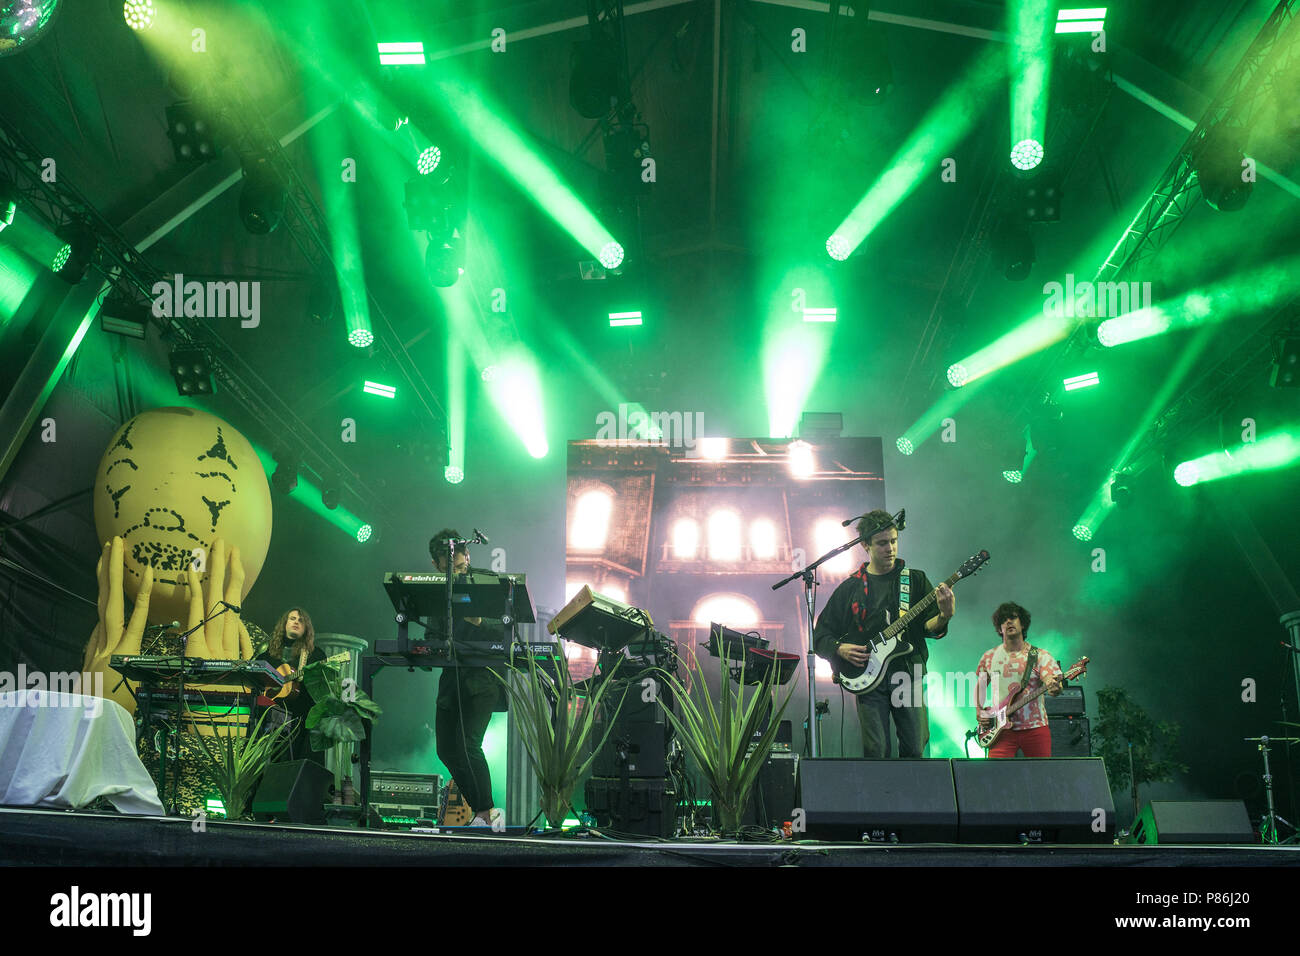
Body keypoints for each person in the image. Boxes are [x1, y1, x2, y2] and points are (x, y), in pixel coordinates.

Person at [813, 510, 955, 758]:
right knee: (876, 750)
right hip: (867, 677)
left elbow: (928, 627)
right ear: (865, 545)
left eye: (893, 541)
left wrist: (944, 615)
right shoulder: (851, 588)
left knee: (914, 747)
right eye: (881, 543)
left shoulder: (915, 580)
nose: (890, 548)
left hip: (909, 672)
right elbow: (822, 633)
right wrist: (839, 648)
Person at [429, 528, 505, 827]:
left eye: (461, 566)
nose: (458, 572)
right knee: (445, 748)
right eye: (451, 568)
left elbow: (504, 629)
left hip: (482, 677)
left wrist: (478, 620)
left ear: (468, 556)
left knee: (468, 744)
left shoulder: (486, 581)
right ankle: (482, 810)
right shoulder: (436, 589)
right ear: (437, 565)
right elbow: (431, 633)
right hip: (452, 678)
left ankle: (486, 812)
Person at [975, 602, 1063, 758]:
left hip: (1035, 728)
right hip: (1000, 731)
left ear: (1023, 624)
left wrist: (1054, 686)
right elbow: (980, 687)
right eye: (1003, 620)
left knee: (1042, 775)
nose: (1008, 622)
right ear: (999, 629)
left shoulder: (1040, 655)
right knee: (995, 777)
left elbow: (1051, 679)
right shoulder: (989, 657)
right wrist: (979, 711)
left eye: (1013, 618)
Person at [256, 607, 328, 761]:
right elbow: (255, 676)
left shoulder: (315, 654)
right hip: (268, 718)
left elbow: (322, 687)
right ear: (284, 623)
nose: (296, 622)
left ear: (306, 628)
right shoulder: (268, 653)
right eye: (292, 618)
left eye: (301, 620)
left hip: (300, 720)